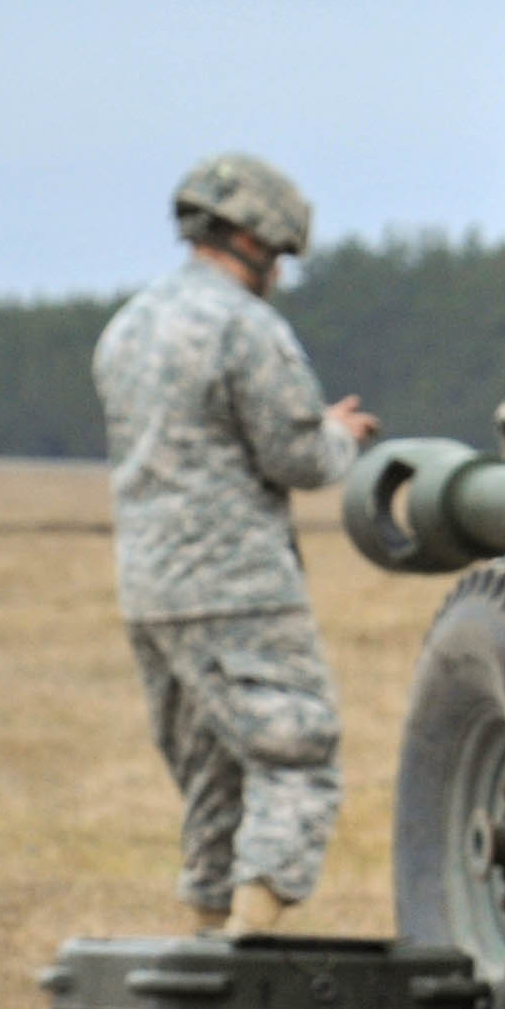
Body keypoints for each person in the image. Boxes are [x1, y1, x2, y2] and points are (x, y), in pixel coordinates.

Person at [92, 154, 376, 935]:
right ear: (252, 239)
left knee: (213, 779)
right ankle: (246, 958)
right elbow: (298, 459)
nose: (280, 272)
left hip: (150, 585)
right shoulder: (245, 329)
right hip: (238, 583)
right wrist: (340, 436)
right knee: (296, 756)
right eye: (280, 255)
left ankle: (201, 954)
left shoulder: (130, 326)